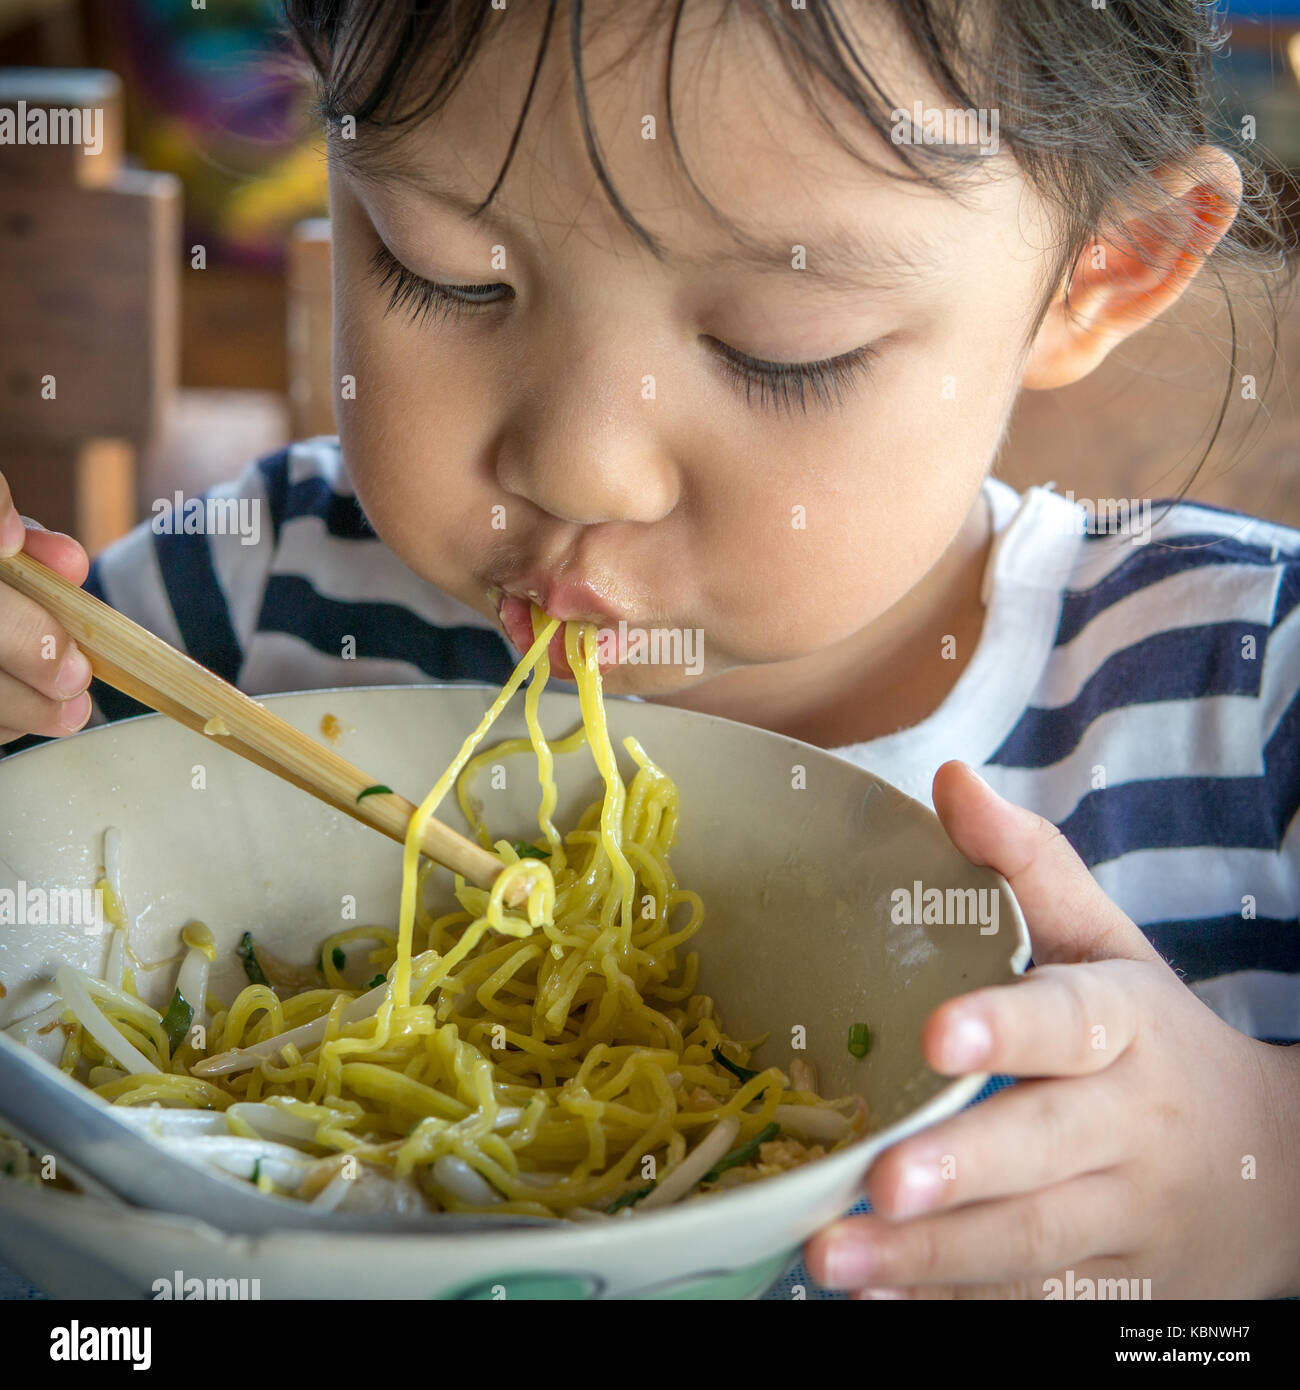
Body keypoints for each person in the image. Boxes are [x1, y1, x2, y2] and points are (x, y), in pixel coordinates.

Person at [1, 0, 1296, 1297]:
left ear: (1102, 269)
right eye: (444, 269)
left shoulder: (1246, 690)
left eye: (778, 349)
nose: (579, 463)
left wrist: (1262, 1184)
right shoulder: (234, 598)